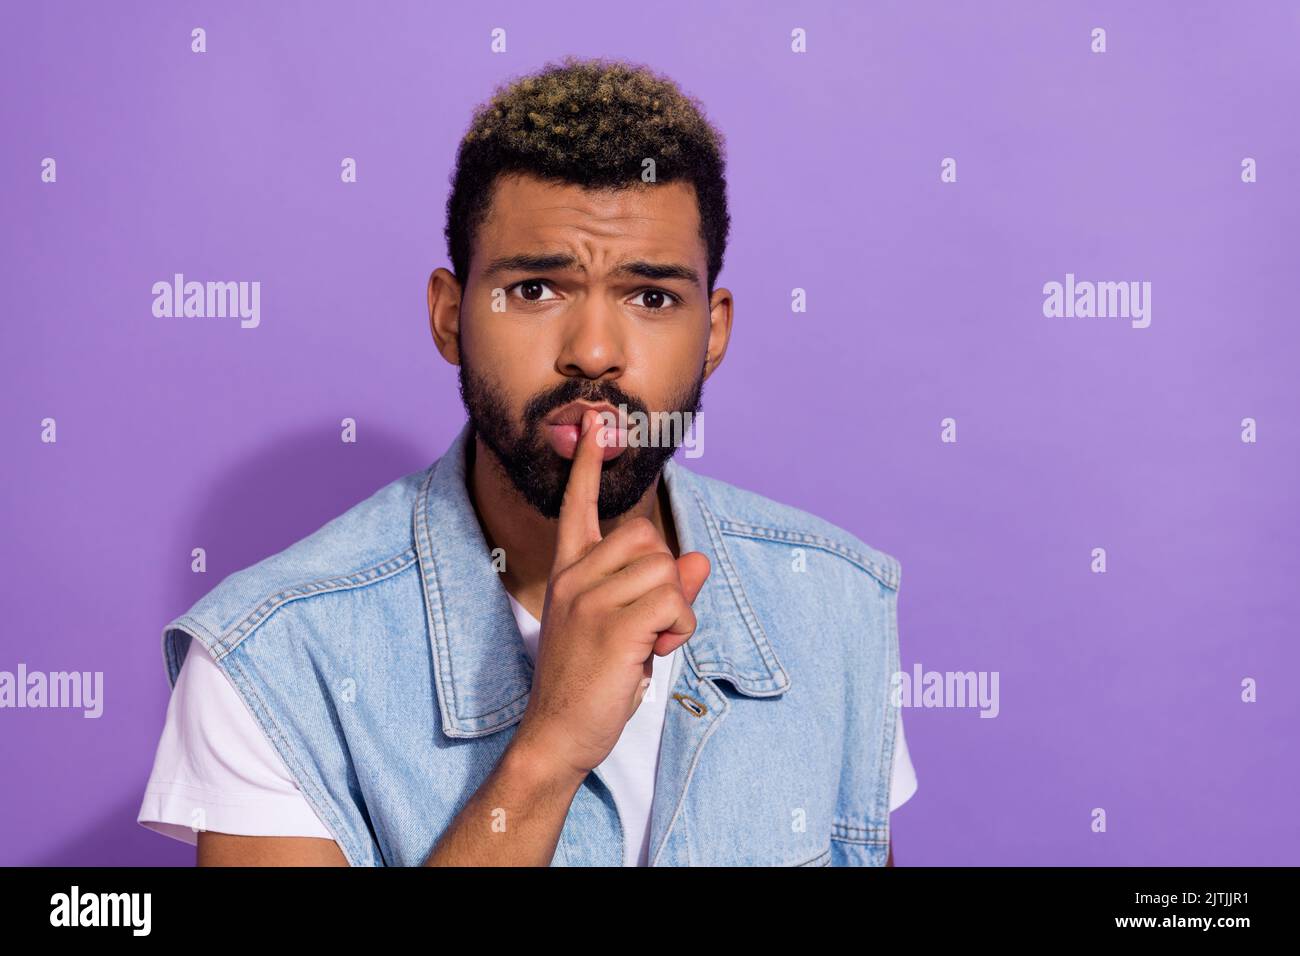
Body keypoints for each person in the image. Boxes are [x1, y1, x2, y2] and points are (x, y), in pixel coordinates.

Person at [137, 55, 916, 866]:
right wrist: (549, 751)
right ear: (448, 316)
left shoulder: (835, 604)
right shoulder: (270, 658)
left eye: (652, 297)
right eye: (537, 289)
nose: (594, 354)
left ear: (713, 333)